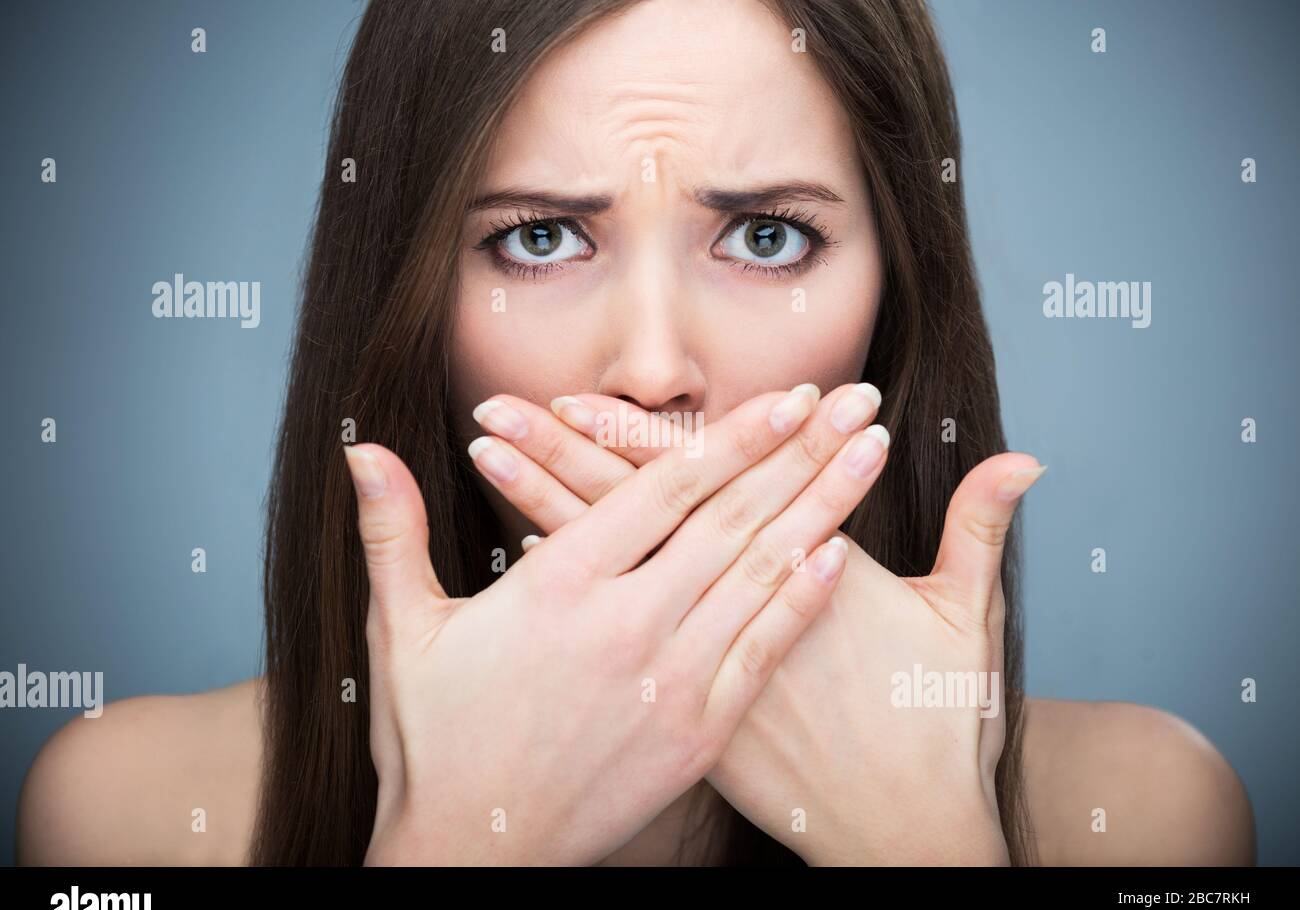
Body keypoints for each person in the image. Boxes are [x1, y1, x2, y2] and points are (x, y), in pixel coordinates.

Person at [17, 0, 1254, 866]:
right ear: (409, 304)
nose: (656, 371)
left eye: (766, 234)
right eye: (539, 239)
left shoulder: (1152, 814)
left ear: (897, 296)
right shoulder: (128, 813)